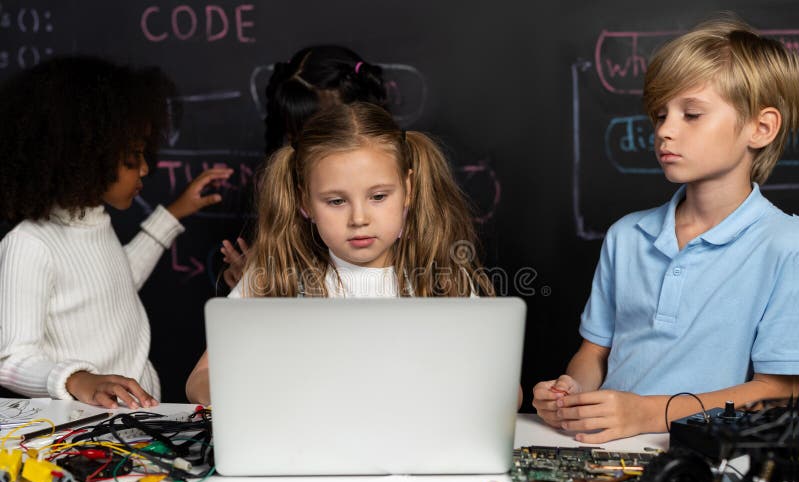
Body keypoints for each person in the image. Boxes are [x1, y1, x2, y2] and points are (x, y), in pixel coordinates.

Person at [531, 17, 799, 443]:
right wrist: (572, 391)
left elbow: (777, 392)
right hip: (607, 450)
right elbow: (594, 355)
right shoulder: (627, 236)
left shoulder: (787, 246)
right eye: (660, 115)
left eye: (691, 114)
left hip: (709, 463)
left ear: (760, 128)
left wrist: (645, 413)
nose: (664, 131)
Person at [186, 102, 495, 404]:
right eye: (336, 201)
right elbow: (199, 378)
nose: (359, 218)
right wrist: (249, 389)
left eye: (378, 196)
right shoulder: (273, 279)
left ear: (408, 189)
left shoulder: (443, 280)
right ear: (304, 201)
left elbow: (502, 386)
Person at [0, 56, 232, 409]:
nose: (144, 168)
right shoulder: (29, 245)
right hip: (84, 430)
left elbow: (114, 283)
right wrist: (78, 380)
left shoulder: (93, 220)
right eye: (132, 158)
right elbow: (9, 360)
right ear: (83, 158)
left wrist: (173, 213)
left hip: (136, 416)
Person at [220, 45, 387, 288]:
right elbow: (276, 261)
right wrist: (250, 279)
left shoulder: (400, 183)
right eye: (296, 137)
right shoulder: (279, 182)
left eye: (378, 196)